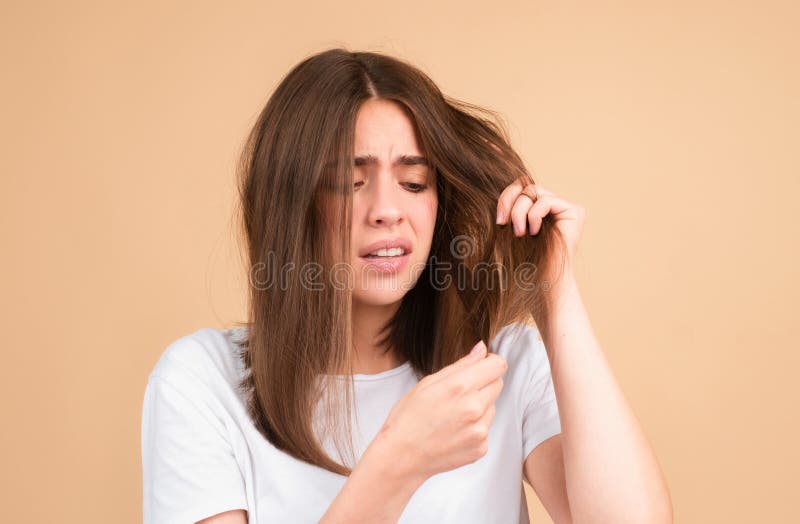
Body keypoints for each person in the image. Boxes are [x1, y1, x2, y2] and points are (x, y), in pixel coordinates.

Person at [141, 48, 673, 523]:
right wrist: (399, 460)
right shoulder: (202, 383)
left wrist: (555, 292)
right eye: (349, 183)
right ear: (292, 204)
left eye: (414, 183)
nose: (387, 211)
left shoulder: (501, 364)